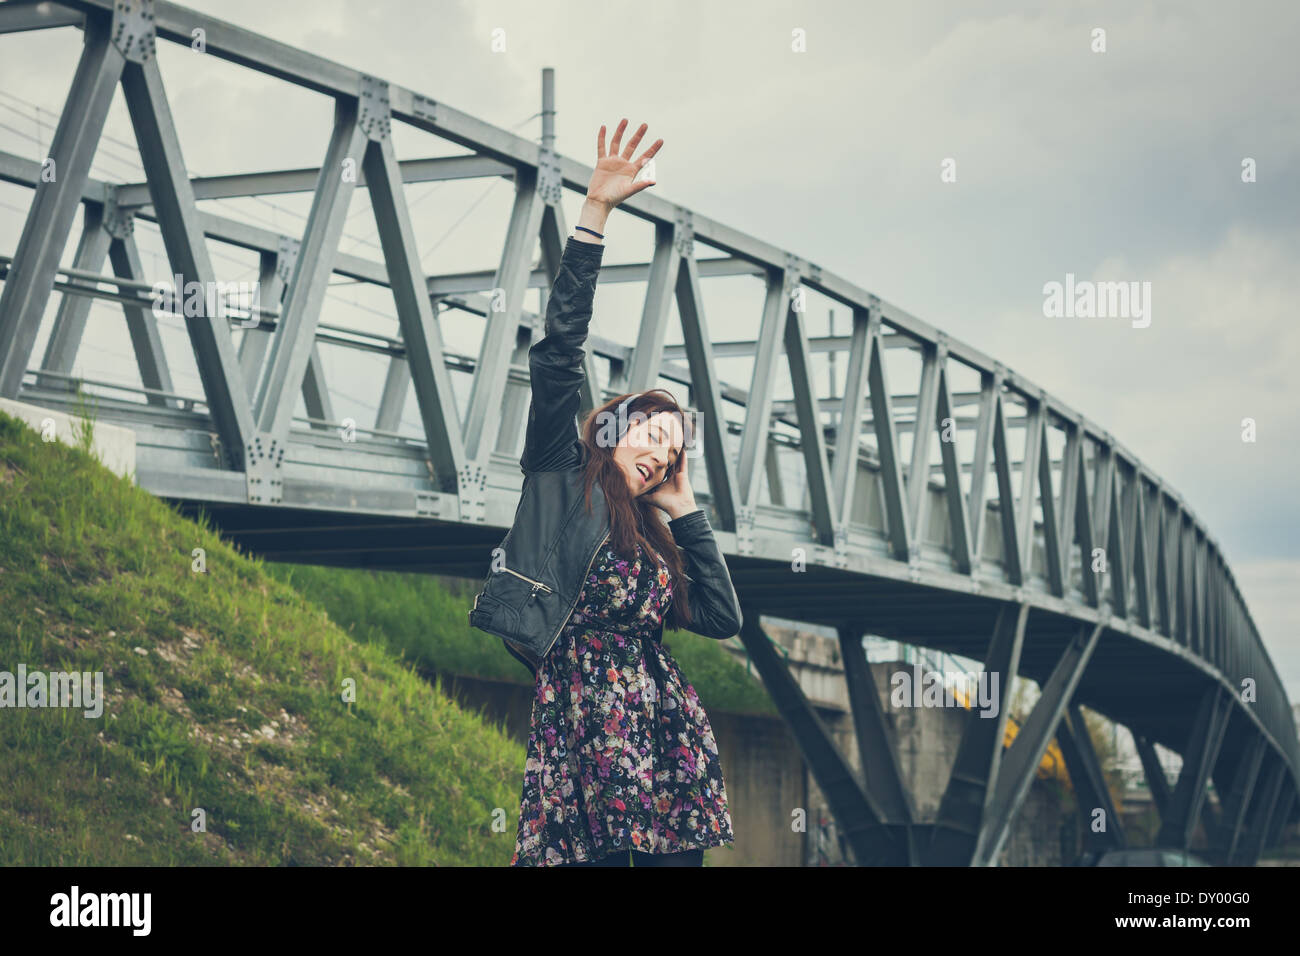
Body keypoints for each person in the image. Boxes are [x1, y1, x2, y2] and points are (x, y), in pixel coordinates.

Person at [477, 119, 744, 867]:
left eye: (671, 455)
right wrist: (594, 216)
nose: (659, 458)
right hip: (581, 728)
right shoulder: (562, 476)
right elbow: (558, 352)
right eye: (650, 437)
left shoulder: (658, 536)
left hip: (663, 736)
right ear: (610, 431)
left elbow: (723, 617)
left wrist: (685, 511)